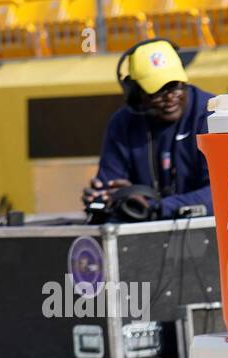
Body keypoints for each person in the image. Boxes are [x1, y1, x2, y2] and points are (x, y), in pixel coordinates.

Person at [83, 39, 214, 221]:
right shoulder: (122, 123)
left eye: (175, 85)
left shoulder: (212, 116)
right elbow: (111, 184)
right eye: (158, 90)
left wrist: (155, 207)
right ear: (137, 93)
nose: (170, 97)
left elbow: (221, 193)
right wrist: (109, 198)